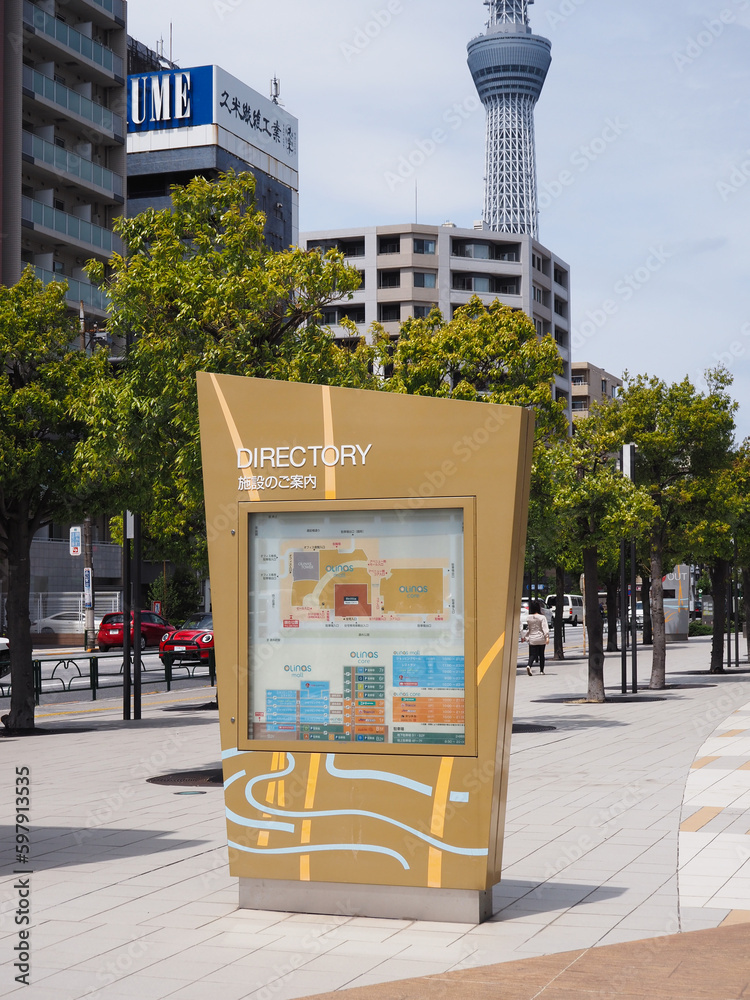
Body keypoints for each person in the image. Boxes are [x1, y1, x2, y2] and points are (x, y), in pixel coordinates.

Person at [522, 600, 549, 675]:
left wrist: (525, 636)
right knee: (541, 654)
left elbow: (529, 629)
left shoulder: (529, 618)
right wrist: (547, 637)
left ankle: (529, 665)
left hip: (532, 638)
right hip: (540, 638)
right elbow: (545, 628)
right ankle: (541, 671)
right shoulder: (542, 617)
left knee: (532, 655)